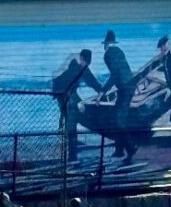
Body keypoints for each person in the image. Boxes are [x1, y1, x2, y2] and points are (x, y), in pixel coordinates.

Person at [51, 49, 101, 162]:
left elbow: (90, 79)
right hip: (63, 92)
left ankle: (72, 143)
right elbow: (85, 80)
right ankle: (72, 154)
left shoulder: (79, 63)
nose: (85, 66)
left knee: (73, 118)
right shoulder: (74, 65)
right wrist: (79, 102)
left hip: (65, 92)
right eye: (85, 63)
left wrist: (100, 90)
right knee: (72, 120)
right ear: (82, 58)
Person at [99, 30, 138, 163]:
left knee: (118, 120)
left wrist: (102, 92)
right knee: (117, 117)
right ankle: (119, 150)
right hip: (129, 86)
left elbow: (114, 75)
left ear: (105, 44)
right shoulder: (119, 51)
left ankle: (131, 147)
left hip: (125, 88)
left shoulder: (108, 55)